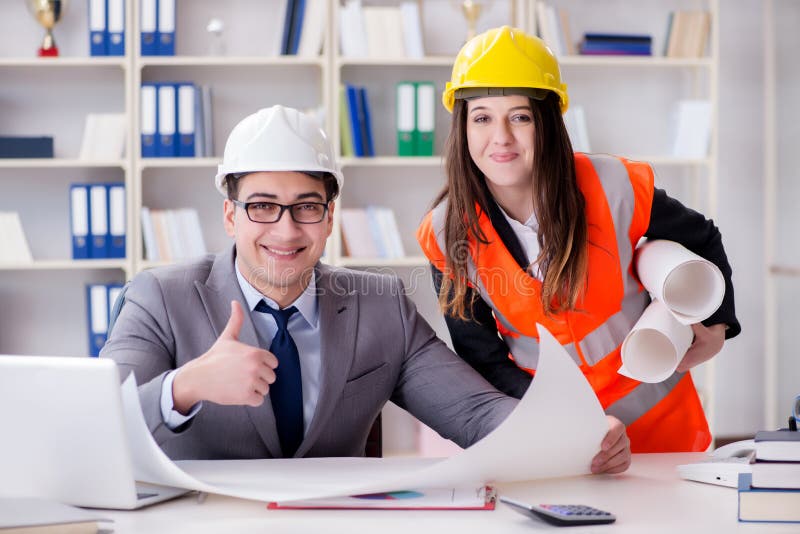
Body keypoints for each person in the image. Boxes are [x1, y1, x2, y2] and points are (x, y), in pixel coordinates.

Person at [101, 105, 525, 463]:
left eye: (306, 207)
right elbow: (99, 425)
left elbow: (476, 413)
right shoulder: (159, 298)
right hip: (206, 520)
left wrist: (559, 435)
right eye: (262, 206)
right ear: (230, 216)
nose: (286, 231)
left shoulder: (380, 305)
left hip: (333, 519)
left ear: (329, 217)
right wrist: (184, 387)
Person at [417, 27, 741, 454]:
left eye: (520, 116)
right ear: (462, 127)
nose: (501, 137)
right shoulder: (446, 234)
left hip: (662, 430)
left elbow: (702, 237)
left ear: (548, 122)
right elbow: (483, 359)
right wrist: (568, 425)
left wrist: (717, 323)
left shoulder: (612, 184)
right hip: (557, 438)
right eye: (482, 118)